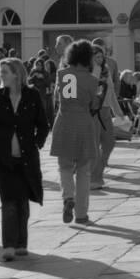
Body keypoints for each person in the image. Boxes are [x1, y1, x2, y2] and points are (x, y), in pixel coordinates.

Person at [0, 57, 51, 262]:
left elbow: (43, 124)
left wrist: (37, 143)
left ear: (16, 74)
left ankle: (21, 243)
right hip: (3, 159)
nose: (0, 75)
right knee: (9, 201)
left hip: (26, 157)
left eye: (4, 72)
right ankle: (9, 245)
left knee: (22, 201)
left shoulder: (32, 95)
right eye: (0, 72)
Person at [49, 39, 102, 225]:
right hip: (84, 122)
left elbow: (57, 97)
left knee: (64, 166)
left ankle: (67, 197)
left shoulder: (62, 74)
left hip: (64, 121)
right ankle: (81, 214)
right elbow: (94, 104)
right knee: (83, 170)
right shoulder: (92, 80)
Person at [90, 40, 118, 189]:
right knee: (94, 145)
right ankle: (94, 177)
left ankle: (96, 171)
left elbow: (111, 94)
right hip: (93, 112)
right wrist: (95, 69)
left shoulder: (106, 70)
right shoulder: (88, 72)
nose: (99, 60)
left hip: (106, 111)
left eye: (101, 57)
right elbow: (91, 89)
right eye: (96, 57)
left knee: (110, 142)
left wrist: (119, 114)